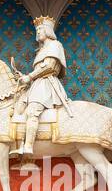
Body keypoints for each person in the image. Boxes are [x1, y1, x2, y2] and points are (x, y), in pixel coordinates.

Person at [12, 15, 70, 158]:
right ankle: (18, 144)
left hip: (47, 84)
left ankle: (28, 147)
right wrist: (24, 77)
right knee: (18, 108)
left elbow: (49, 66)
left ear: (48, 31)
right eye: (36, 30)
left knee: (33, 110)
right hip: (37, 84)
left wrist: (30, 76)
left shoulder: (55, 46)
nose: (37, 32)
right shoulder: (41, 50)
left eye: (40, 29)